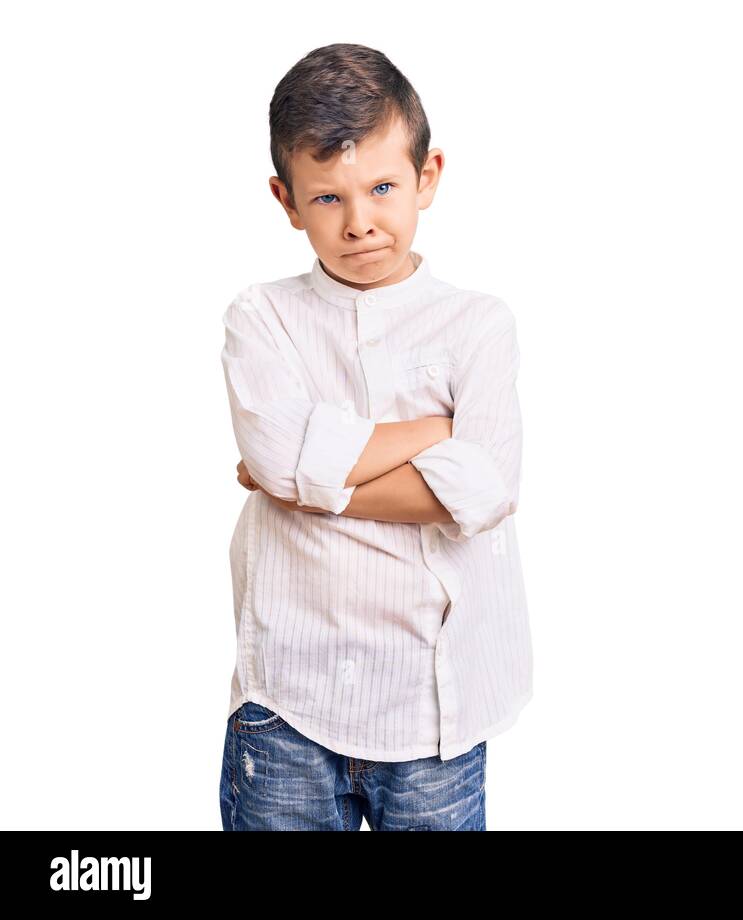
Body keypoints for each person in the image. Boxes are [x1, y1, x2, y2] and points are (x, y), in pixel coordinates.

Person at [217, 43, 532, 831]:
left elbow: (485, 491)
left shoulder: (478, 325)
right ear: (287, 200)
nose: (360, 223)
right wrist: (433, 432)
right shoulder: (262, 319)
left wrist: (304, 481)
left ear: (427, 178)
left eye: (383, 187)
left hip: (433, 715)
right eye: (328, 199)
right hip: (287, 705)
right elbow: (278, 462)